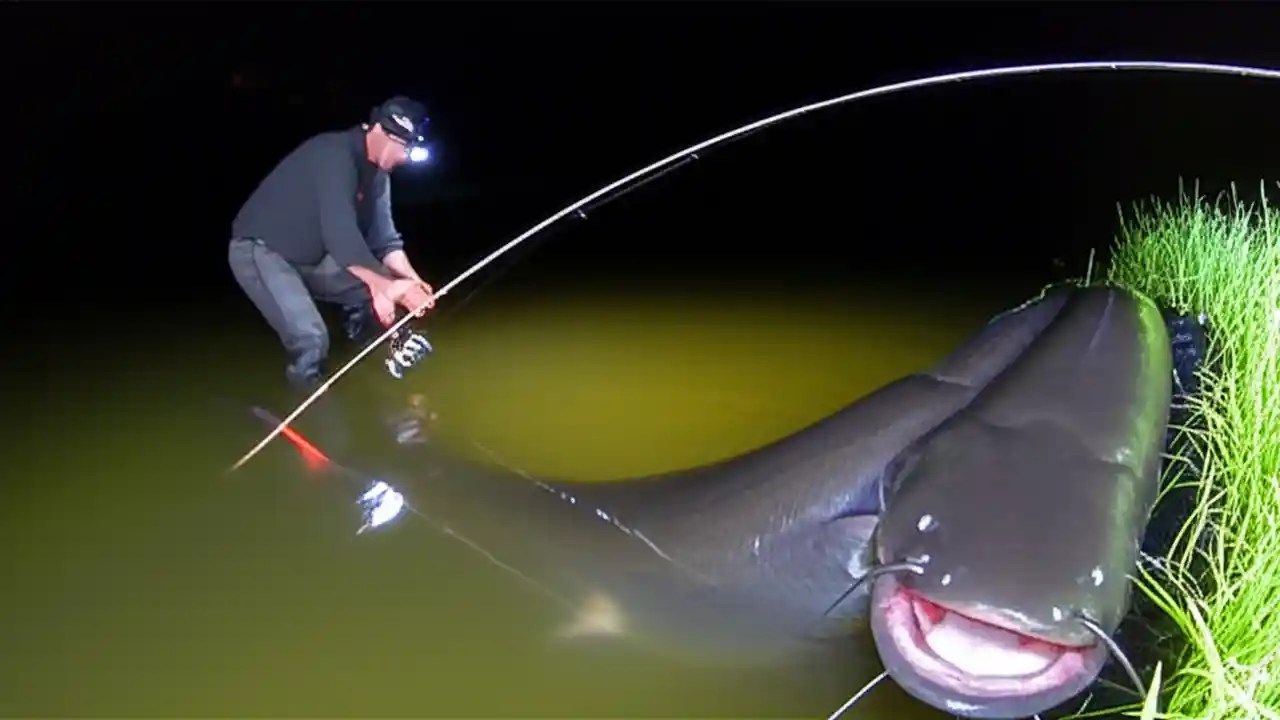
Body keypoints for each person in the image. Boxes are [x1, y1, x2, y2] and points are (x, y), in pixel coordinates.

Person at [227, 95, 438, 392]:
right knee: (312, 338)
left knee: (386, 295)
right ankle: (309, 403)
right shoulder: (335, 154)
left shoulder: (379, 175)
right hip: (261, 250)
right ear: (379, 130)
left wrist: (411, 283)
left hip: (311, 256)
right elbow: (341, 240)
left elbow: (386, 240)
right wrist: (387, 287)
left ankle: (377, 375)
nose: (405, 158)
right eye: (405, 148)